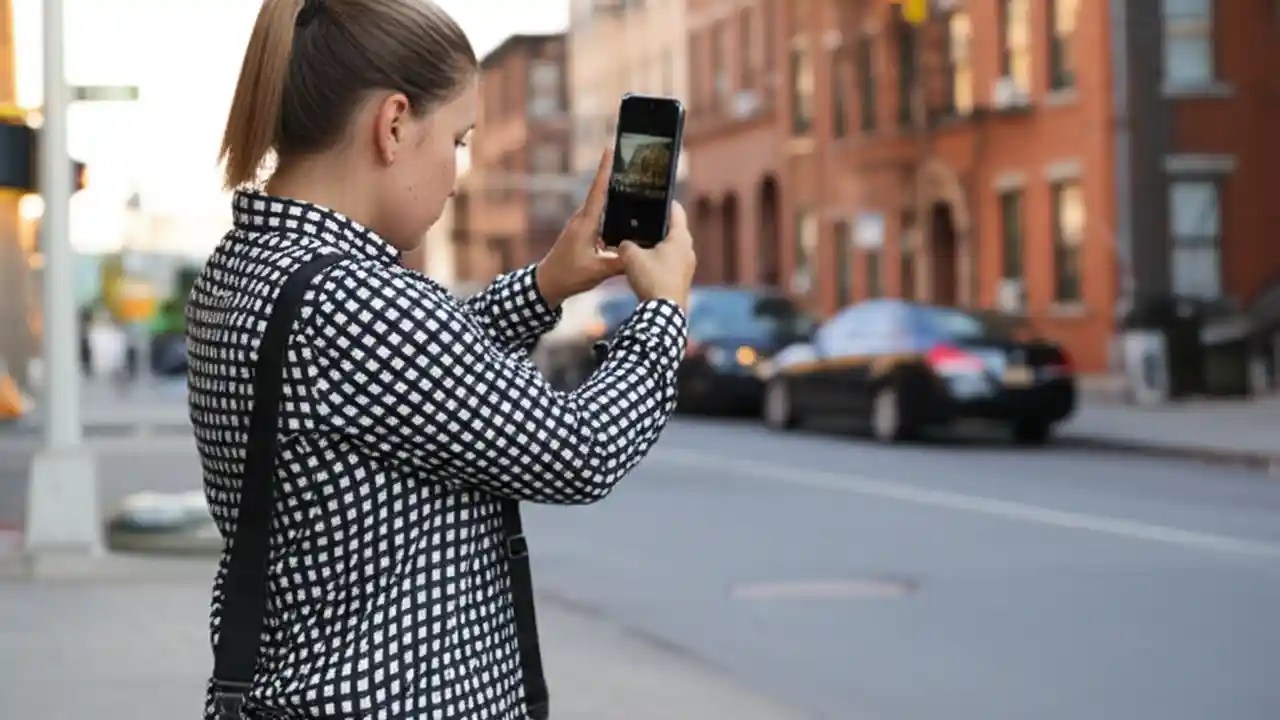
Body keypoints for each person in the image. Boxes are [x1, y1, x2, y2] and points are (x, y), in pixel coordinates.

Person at [185, 0, 696, 718]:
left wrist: (547, 283)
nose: (458, 175)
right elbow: (581, 452)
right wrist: (664, 311)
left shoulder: (247, 270)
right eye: (457, 140)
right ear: (393, 125)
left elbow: (417, 377)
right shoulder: (359, 302)